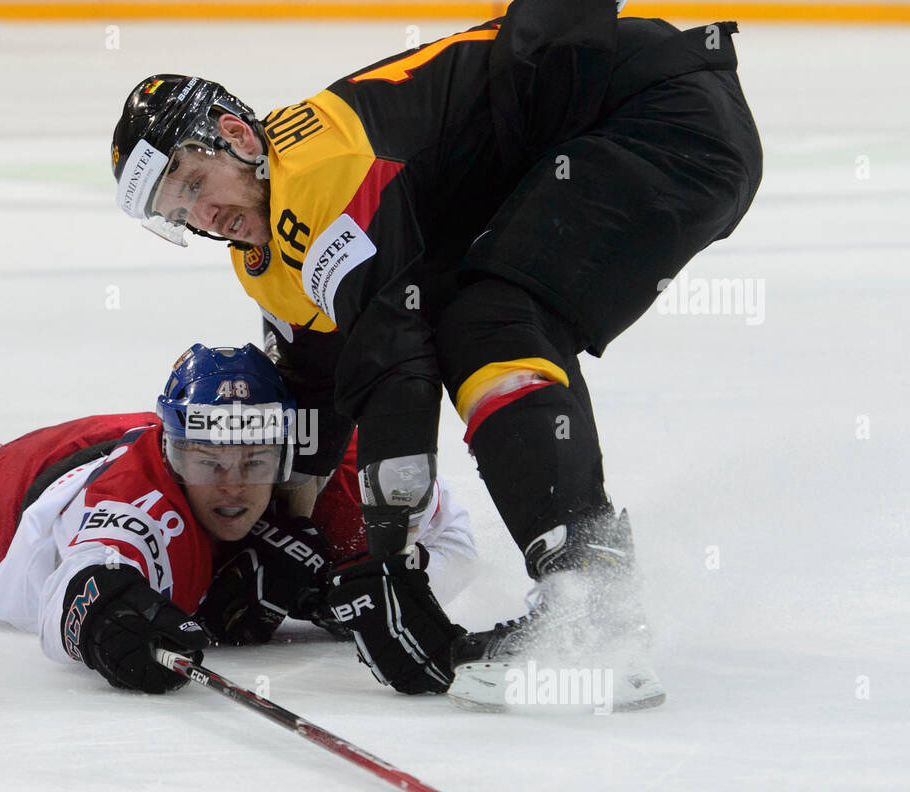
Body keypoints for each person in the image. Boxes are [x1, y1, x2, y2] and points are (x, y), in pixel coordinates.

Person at [108, 0, 761, 709]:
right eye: (179, 214)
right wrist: (261, 546)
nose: (202, 218)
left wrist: (388, 564)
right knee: (480, 315)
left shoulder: (321, 173)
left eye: (196, 185)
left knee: (489, 321)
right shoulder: (265, 251)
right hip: (624, 126)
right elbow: (317, 403)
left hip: (660, 115)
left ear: (236, 134)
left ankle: (594, 610)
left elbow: (396, 367)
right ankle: (588, 580)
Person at [0, 202, 477, 693]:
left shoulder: (334, 470)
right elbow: (79, 581)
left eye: (253, 462)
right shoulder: (141, 501)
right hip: (48, 481)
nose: (235, 486)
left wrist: (337, 596)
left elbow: (454, 540)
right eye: (208, 463)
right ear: (175, 452)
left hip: (135, 429)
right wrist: (107, 620)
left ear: (289, 450)